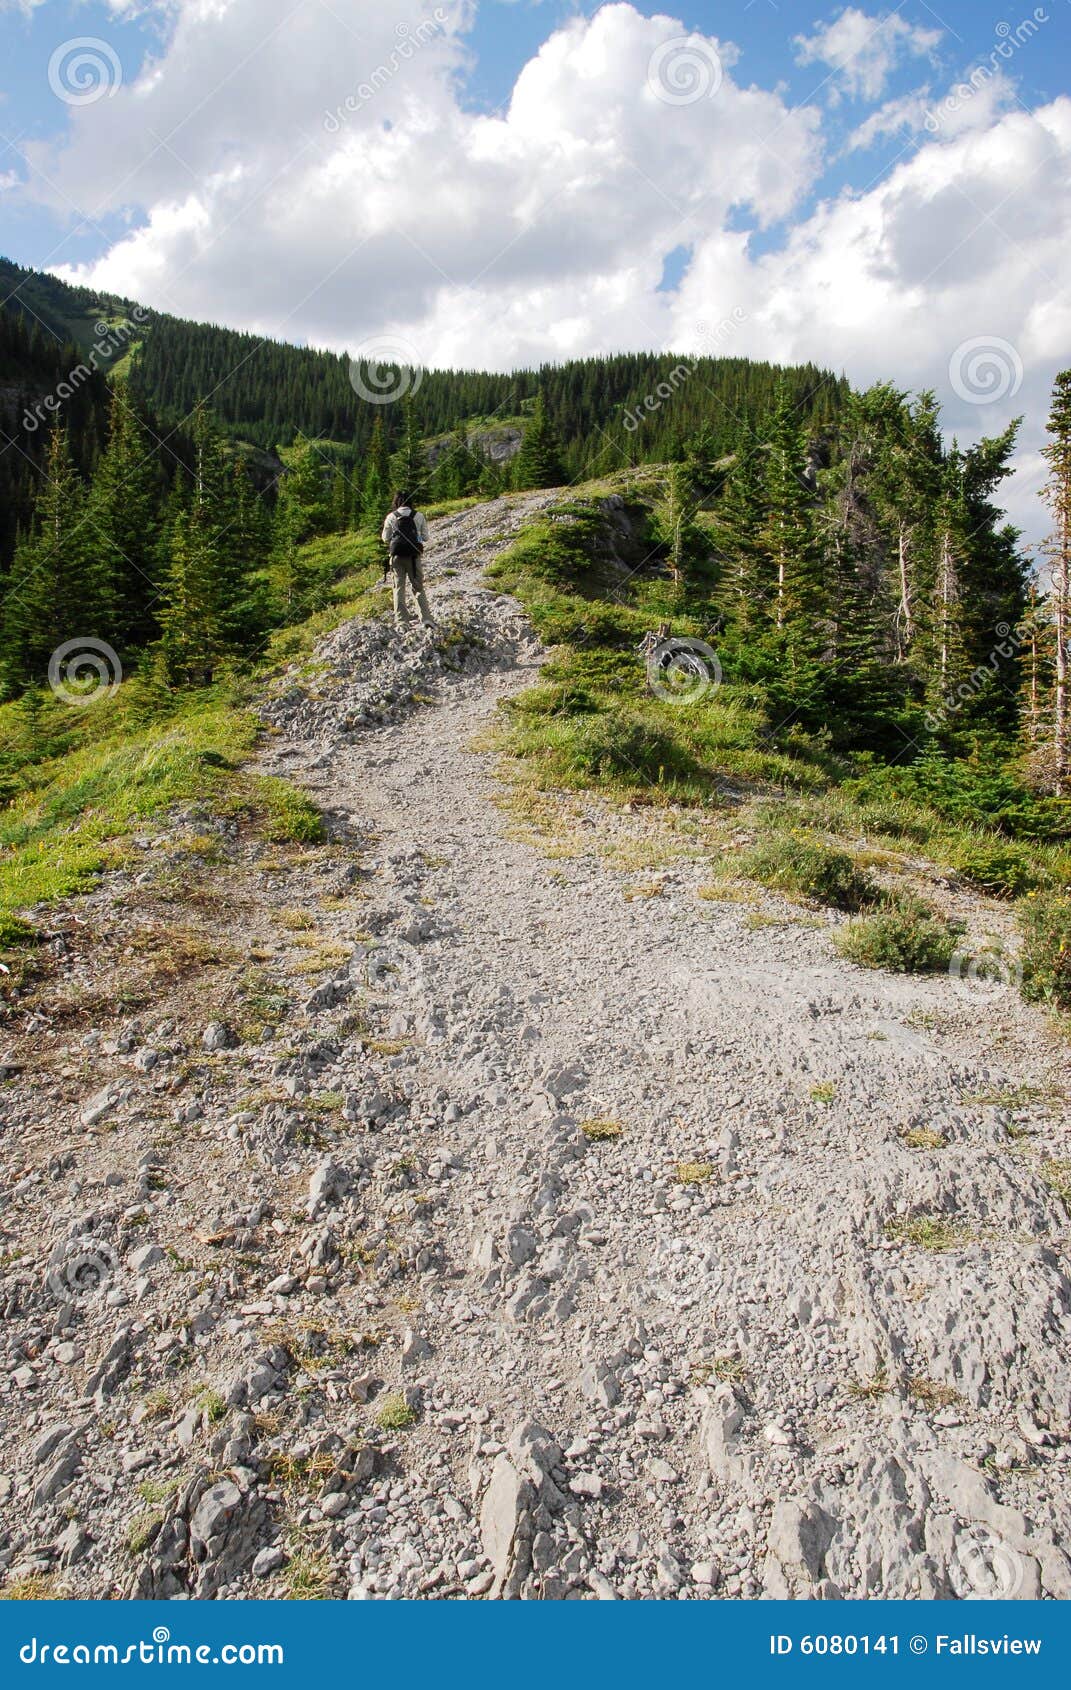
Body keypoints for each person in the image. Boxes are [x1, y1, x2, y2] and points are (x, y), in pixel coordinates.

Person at [381, 491, 433, 631]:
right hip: (413, 557)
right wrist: (415, 541)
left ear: (396, 501)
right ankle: (426, 619)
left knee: (399, 588)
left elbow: (385, 538)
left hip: (397, 558)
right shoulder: (419, 516)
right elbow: (425, 537)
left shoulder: (391, 517)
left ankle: (402, 622)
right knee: (418, 587)